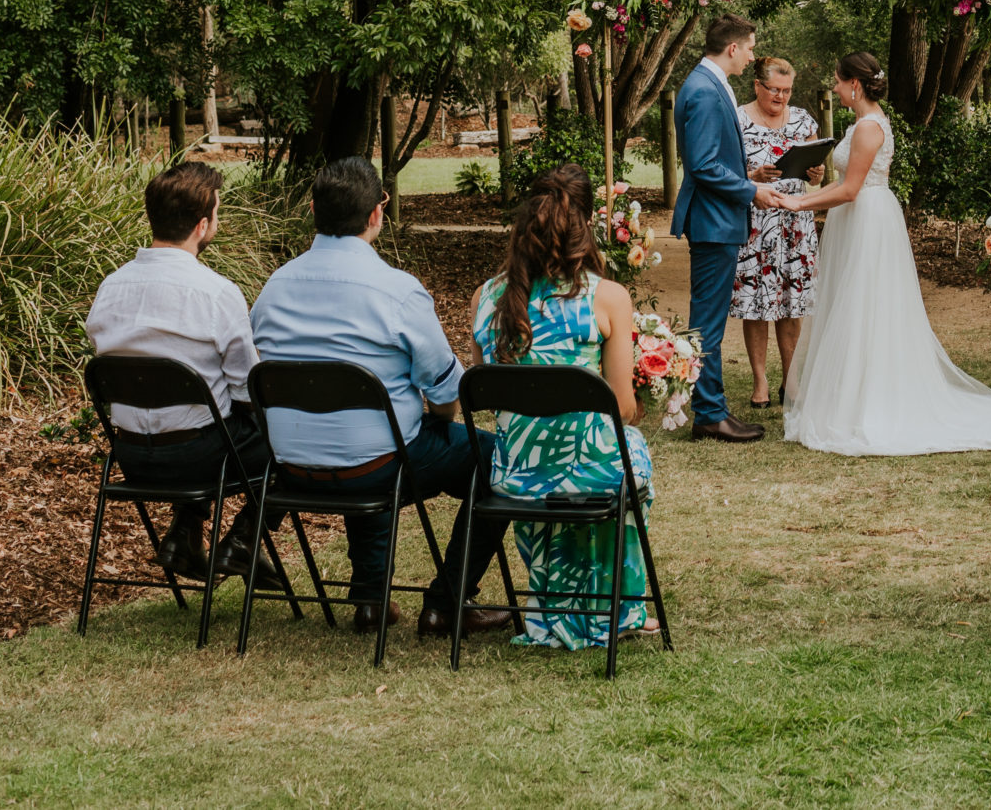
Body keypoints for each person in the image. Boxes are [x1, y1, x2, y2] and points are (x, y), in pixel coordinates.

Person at [249, 157, 512, 639]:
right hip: (376, 465)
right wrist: (437, 417)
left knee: (376, 433)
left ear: (313, 210)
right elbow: (446, 390)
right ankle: (448, 602)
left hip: (290, 466)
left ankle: (371, 598)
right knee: (495, 459)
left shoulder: (273, 287)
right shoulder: (397, 291)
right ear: (377, 214)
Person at [780, 52, 991, 456]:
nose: (835, 86)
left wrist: (798, 204)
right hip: (857, 217)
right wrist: (810, 192)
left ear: (855, 85)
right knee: (854, 304)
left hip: (868, 219)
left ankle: (869, 404)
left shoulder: (868, 128)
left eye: (838, 81)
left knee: (867, 305)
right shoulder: (863, 122)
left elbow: (849, 190)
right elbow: (845, 184)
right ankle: (855, 394)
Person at [473, 164, 662, 649]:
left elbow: (483, 393)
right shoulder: (608, 299)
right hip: (588, 472)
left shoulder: (486, 298)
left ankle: (556, 603)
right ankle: (619, 608)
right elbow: (620, 405)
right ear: (583, 234)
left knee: (594, 451)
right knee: (624, 449)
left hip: (516, 473)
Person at [83, 161, 278, 584]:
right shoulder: (216, 292)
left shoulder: (110, 287)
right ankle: (244, 537)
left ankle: (185, 533)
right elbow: (249, 390)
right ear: (203, 225)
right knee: (292, 443)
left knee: (210, 423)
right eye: (218, 215)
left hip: (132, 456)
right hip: (200, 458)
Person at [670, 14, 782, 443]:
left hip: (718, 217)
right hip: (713, 222)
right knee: (708, 323)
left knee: (709, 320)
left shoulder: (710, 84)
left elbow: (713, 158)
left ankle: (710, 409)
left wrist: (750, 173)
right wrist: (750, 191)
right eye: (750, 47)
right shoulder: (703, 89)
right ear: (732, 48)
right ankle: (710, 413)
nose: (753, 55)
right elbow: (700, 164)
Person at [733, 55, 821, 409]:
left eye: (787, 90)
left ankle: (791, 379)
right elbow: (723, 174)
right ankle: (759, 381)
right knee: (755, 305)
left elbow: (818, 173)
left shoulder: (802, 120)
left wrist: (816, 174)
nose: (782, 97)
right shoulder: (737, 119)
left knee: (791, 304)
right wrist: (753, 177)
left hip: (795, 226)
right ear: (757, 86)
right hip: (756, 225)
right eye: (775, 90)